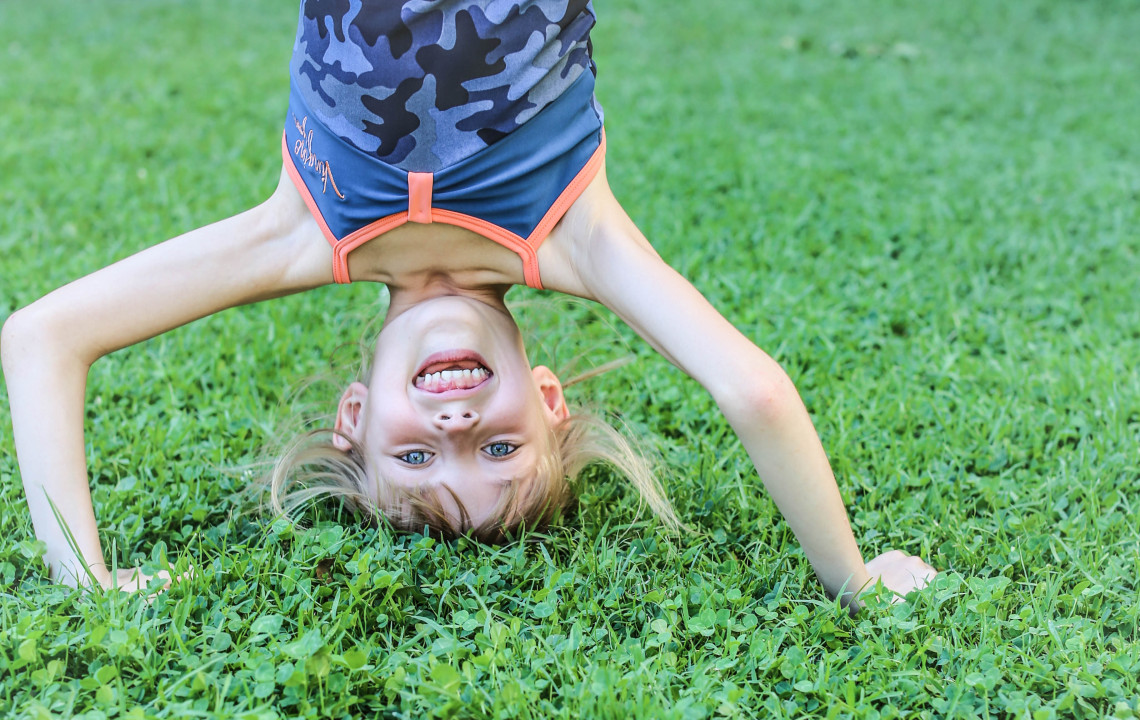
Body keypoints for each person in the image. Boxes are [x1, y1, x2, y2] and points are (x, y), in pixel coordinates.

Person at [1, 0, 935, 605]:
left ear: (354, 416)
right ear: (550, 399)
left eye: (416, 450)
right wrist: (853, 578)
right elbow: (755, 393)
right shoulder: (576, 235)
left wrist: (83, 579)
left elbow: (41, 337)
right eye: (498, 446)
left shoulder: (300, 230)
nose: (454, 419)